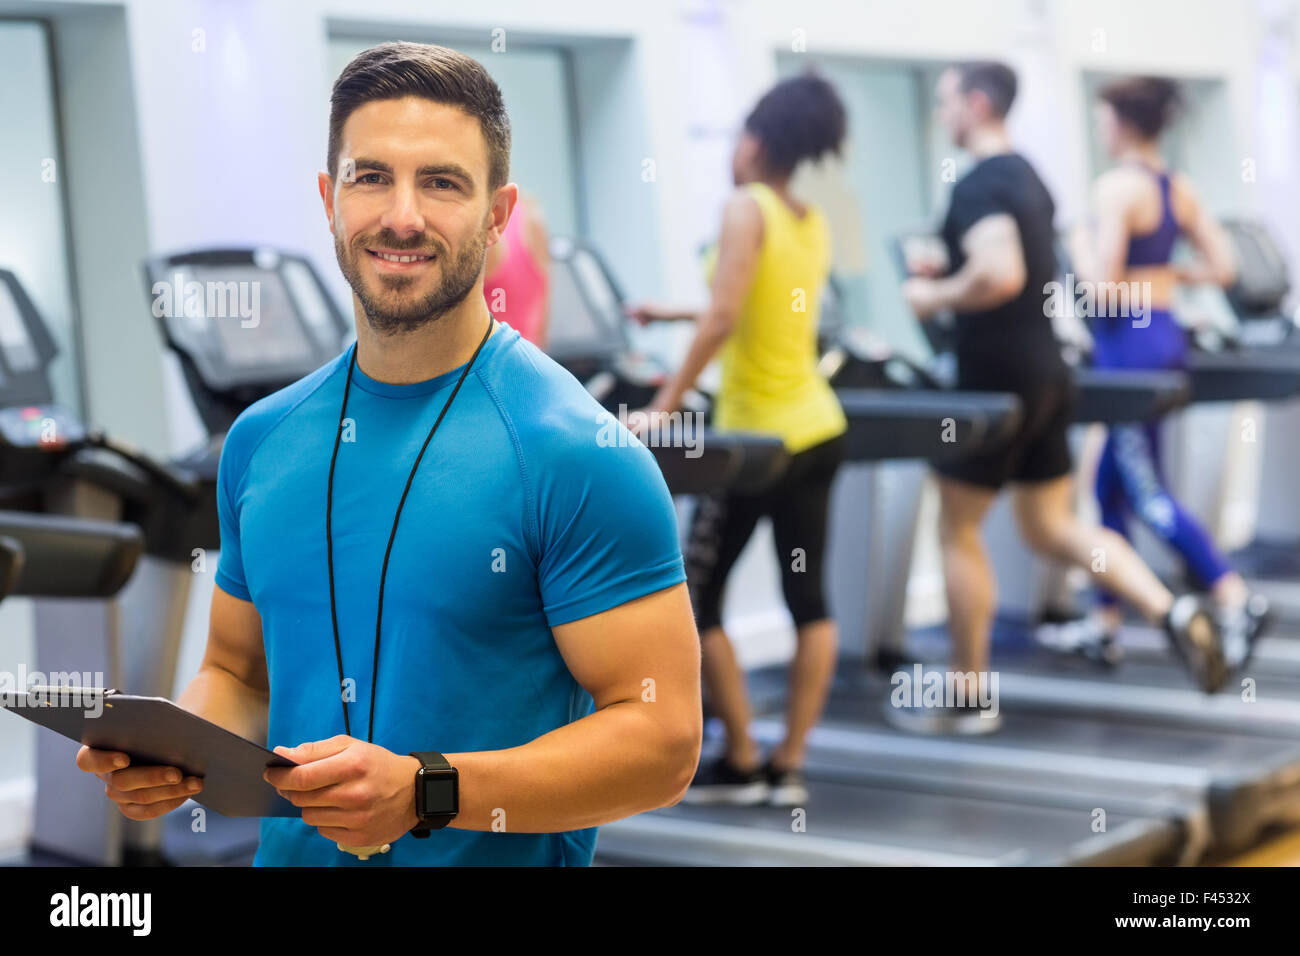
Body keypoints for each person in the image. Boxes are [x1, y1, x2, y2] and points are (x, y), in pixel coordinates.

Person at [76, 41, 701, 866]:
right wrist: (180, 752)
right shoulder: (262, 441)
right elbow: (239, 675)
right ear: (331, 200)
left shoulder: (575, 452)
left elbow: (662, 741)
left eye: (441, 182)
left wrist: (425, 791)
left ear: (497, 213)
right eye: (372, 178)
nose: (401, 216)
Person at [900, 62, 1229, 730]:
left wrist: (931, 293)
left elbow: (1000, 274)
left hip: (994, 378)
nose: (942, 114)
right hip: (1051, 370)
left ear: (978, 103)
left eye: (946, 101)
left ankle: (968, 695)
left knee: (957, 528)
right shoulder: (1030, 176)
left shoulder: (982, 180)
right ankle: (1170, 608)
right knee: (1051, 526)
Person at [627, 72, 849, 805]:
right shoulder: (804, 217)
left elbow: (726, 318)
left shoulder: (743, 206)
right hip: (818, 427)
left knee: (697, 596)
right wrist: (672, 316)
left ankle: (742, 757)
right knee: (808, 599)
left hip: (757, 444)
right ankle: (789, 764)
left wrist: (664, 405)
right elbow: (750, 309)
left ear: (754, 141)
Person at [1063, 75, 1270, 668]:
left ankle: (1232, 594)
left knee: (1145, 488)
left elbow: (1100, 287)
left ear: (1124, 123)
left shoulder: (1116, 189)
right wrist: (1170, 276)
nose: (1100, 130)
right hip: (1162, 333)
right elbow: (1225, 266)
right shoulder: (1177, 189)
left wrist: (1078, 245)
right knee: (1109, 487)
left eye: (1103, 119)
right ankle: (1105, 621)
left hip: (1127, 343)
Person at [482, 190, 550, 348]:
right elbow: (542, 320)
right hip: (528, 358)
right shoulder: (531, 213)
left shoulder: (481, 220)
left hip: (485, 364)